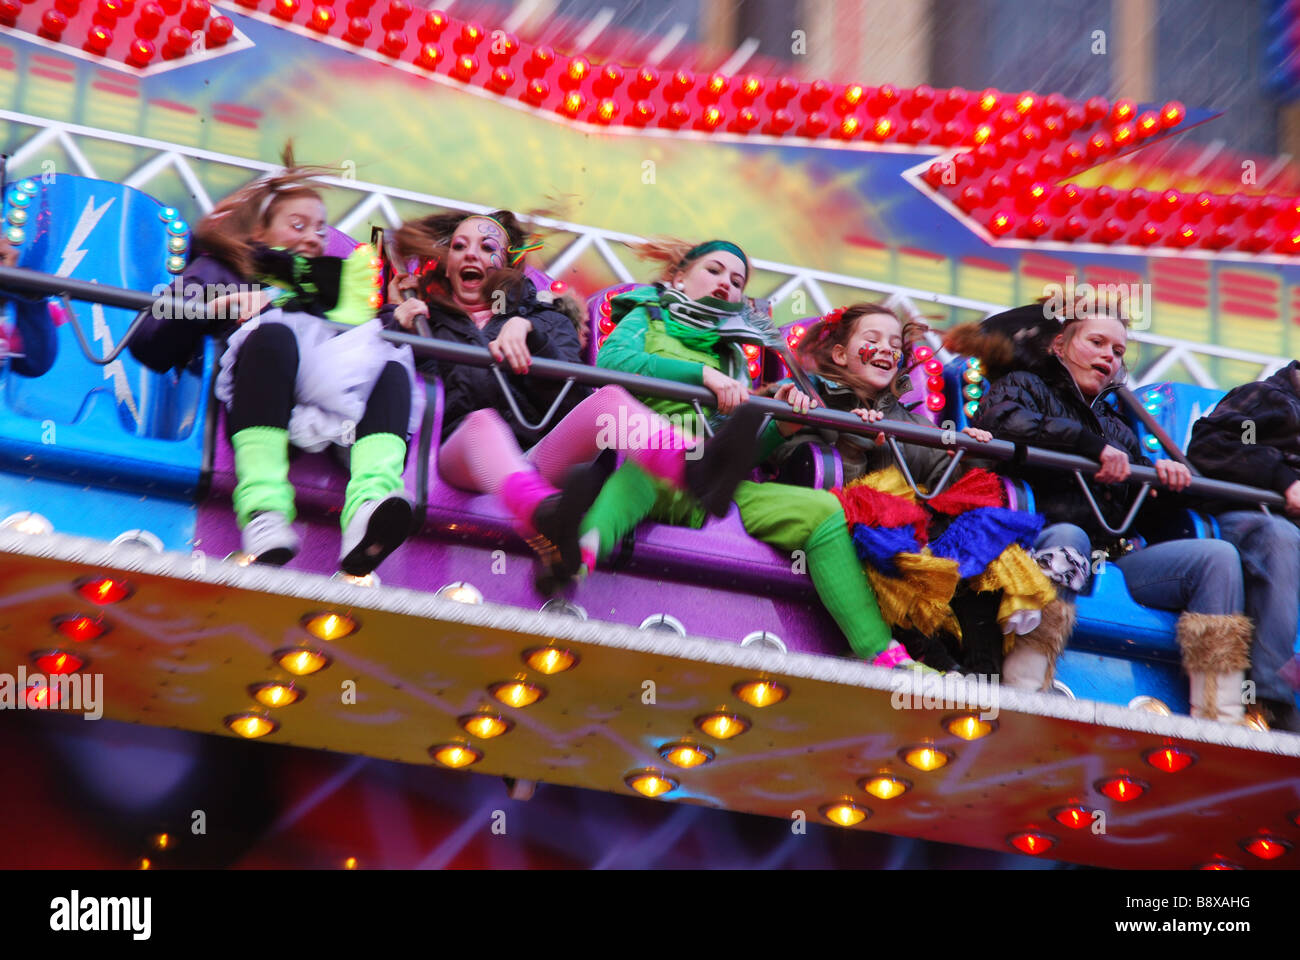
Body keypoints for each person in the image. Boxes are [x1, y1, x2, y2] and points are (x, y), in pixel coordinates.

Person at [388, 213, 763, 585]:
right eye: (459, 246)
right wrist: (395, 319)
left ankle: (692, 467)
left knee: (609, 400)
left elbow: (571, 396)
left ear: (508, 264)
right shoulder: (424, 319)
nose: (472, 255)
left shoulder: (548, 318)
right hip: (456, 454)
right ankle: (542, 511)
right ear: (447, 261)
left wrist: (529, 331)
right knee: (483, 423)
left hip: (538, 455)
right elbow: (378, 380)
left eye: (487, 247)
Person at [578, 239, 903, 666]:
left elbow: (739, 453)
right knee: (647, 466)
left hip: (711, 479)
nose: (725, 284)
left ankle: (879, 653)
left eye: (736, 281)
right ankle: (577, 560)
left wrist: (783, 424)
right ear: (679, 276)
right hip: (644, 460)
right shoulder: (648, 316)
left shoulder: (734, 354)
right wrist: (702, 375)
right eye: (714, 271)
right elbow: (613, 363)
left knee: (824, 510)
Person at [130, 146, 422, 576]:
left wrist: (399, 319)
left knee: (395, 366)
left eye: (320, 229)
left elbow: (363, 333)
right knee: (274, 334)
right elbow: (151, 336)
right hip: (260, 392)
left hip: (335, 410)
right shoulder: (221, 270)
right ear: (260, 233)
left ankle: (368, 511)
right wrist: (221, 304)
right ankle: (264, 512)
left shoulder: (332, 289)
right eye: (298, 224)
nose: (313, 238)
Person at [956, 304, 1252, 721]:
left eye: (1117, 351)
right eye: (1096, 342)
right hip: (1032, 541)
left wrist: (1163, 483)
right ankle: (1024, 694)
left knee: (1217, 558)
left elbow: (1144, 512)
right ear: (1060, 345)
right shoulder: (1021, 385)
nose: (1109, 357)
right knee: (1069, 538)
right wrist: (1088, 446)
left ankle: (1220, 717)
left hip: (1108, 557)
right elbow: (1006, 422)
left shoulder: (1115, 423)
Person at [769, 302, 1056, 674]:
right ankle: (929, 660)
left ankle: (982, 673)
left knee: (982, 539)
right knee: (885, 530)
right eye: (872, 340)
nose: (886, 349)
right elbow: (799, 466)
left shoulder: (913, 421)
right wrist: (854, 445)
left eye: (894, 344)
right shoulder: (811, 403)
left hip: (917, 534)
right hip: (850, 534)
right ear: (839, 353)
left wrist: (971, 456)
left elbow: (944, 488)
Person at [1185, 368, 1300, 731]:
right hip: (1250, 520)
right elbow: (1209, 445)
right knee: (1280, 539)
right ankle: (1269, 698)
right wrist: (1285, 480)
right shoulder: (1268, 398)